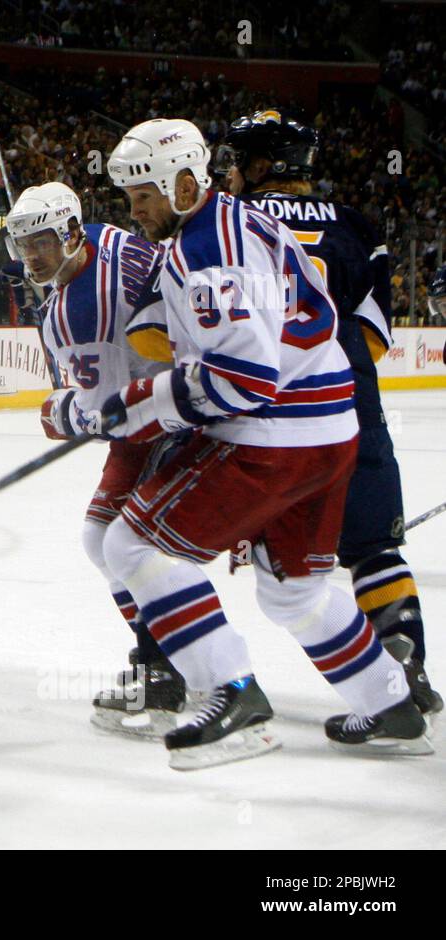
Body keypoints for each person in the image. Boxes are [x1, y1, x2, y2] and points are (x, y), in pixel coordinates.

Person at [97, 118, 428, 767]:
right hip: (334, 427)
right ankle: (387, 697)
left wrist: (143, 404)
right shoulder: (227, 224)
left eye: (143, 195)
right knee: (293, 591)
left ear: (185, 183)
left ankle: (233, 694)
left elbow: (245, 380)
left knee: (130, 542)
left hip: (280, 433)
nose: (133, 211)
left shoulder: (206, 249)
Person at [218, 108, 441, 718]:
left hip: (265, 418)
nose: (230, 172)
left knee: (184, 543)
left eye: (239, 159)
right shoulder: (354, 225)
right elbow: (371, 336)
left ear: (264, 163)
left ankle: (181, 670)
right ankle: (404, 671)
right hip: (352, 409)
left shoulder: (228, 223)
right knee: (374, 548)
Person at [4, 181, 175, 738]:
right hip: (159, 411)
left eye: (43, 242)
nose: (32, 256)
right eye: (24, 245)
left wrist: (62, 415)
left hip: (168, 421)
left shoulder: (75, 312)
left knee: (131, 544)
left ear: (72, 231)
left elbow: (110, 410)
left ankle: (164, 666)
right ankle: (164, 652)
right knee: (101, 537)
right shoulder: (108, 240)